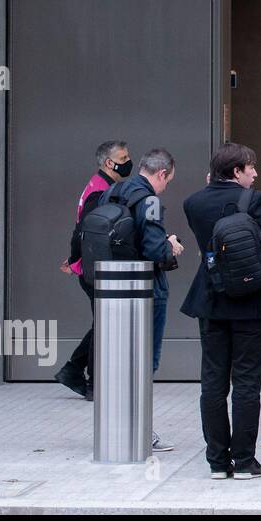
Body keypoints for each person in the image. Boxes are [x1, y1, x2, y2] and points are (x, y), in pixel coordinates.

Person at [181, 143, 261, 480]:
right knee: (247, 384)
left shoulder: (192, 203)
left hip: (212, 300)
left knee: (212, 383)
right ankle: (245, 461)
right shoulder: (256, 202)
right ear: (236, 171)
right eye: (250, 167)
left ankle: (217, 463)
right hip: (252, 303)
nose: (255, 173)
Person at [100, 147, 184, 452]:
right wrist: (170, 244)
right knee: (145, 361)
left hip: (113, 289)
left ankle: (115, 427)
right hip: (146, 290)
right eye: (168, 181)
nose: (165, 188)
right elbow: (153, 249)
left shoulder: (114, 190)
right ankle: (139, 430)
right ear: (161, 174)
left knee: (119, 360)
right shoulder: (148, 200)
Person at [55, 140, 132, 400]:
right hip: (93, 267)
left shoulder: (102, 185)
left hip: (89, 264)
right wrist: (75, 258)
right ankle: (92, 383)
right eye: (123, 157)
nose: (127, 161)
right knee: (105, 325)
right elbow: (85, 228)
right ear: (109, 163)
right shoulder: (100, 191)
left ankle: (73, 371)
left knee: (102, 323)